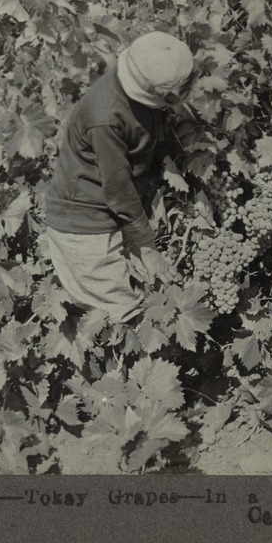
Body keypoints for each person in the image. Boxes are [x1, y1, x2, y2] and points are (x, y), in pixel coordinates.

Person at [41, 31, 195, 326]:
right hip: (84, 227)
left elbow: (162, 140)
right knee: (120, 318)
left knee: (144, 295)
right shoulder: (107, 116)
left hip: (116, 211)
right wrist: (147, 247)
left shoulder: (144, 81)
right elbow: (117, 188)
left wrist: (193, 187)